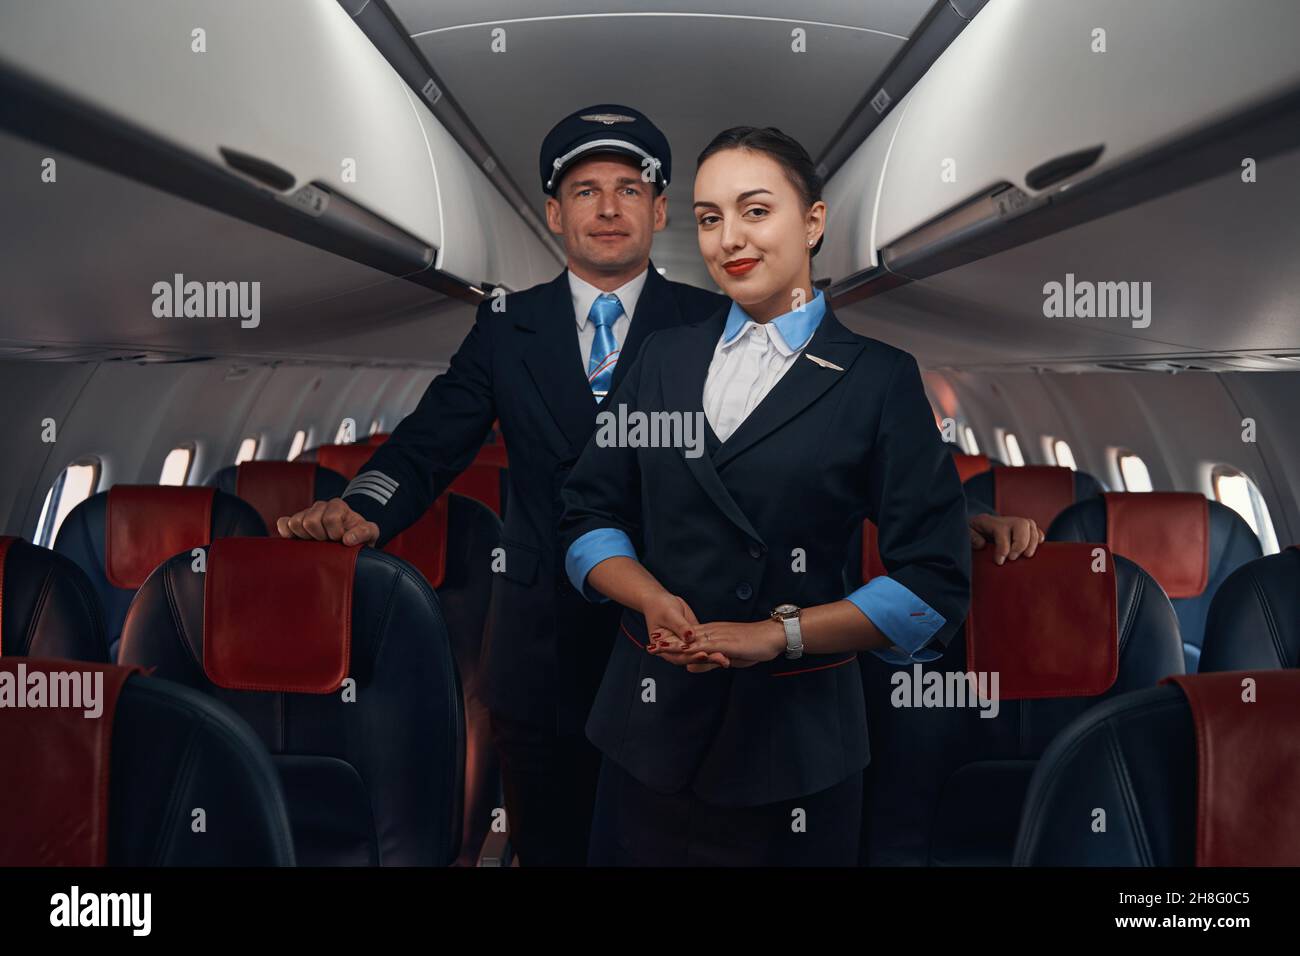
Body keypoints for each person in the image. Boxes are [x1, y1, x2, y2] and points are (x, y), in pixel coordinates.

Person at [558, 126, 1041, 867]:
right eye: (711, 218)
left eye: (755, 211)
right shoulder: (664, 359)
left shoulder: (878, 379)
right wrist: (647, 596)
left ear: (812, 222)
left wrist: (770, 636)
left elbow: (930, 586)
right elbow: (590, 512)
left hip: (794, 747)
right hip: (645, 729)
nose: (729, 240)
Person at [276, 104, 725, 866]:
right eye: (586, 191)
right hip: (537, 647)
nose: (609, 208)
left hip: (674, 644)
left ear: (659, 209)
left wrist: (934, 515)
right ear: (555, 212)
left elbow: (795, 457)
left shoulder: (716, 323)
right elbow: (427, 443)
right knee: (550, 848)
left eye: (628, 188)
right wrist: (361, 508)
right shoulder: (505, 324)